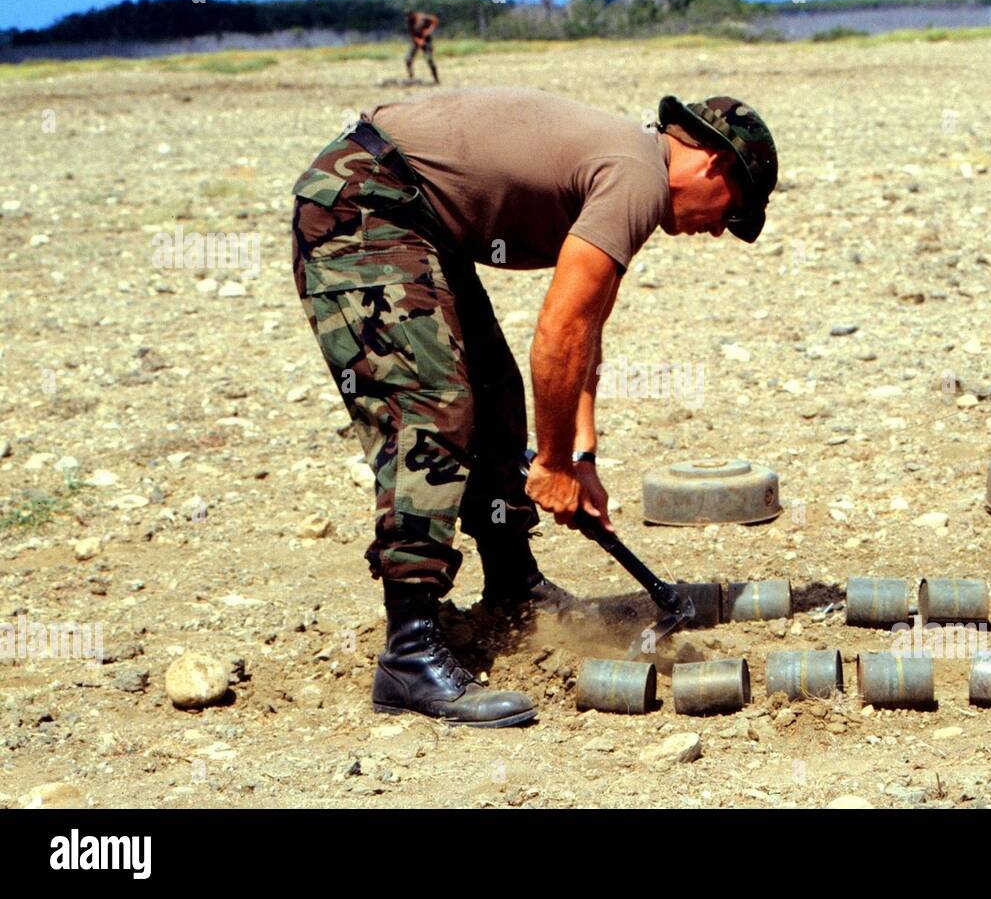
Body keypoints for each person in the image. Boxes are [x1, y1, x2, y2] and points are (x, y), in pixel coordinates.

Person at [289, 88, 777, 727]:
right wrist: (548, 463)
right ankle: (408, 651)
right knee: (433, 406)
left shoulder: (632, 169)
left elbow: (585, 333)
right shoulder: (638, 177)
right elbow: (558, 328)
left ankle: (513, 587)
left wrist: (580, 455)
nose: (718, 229)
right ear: (715, 164)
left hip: (411, 216)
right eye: (732, 211)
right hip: (362, 205)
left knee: (493, 393)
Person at [404, 11, 440, 83]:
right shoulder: (409, 22)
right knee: (408, 59)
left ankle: (436, 79)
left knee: (429, 59)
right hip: (416, 41)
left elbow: (435, 20)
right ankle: (411, 76)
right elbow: (412, 34)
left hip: (427, 41)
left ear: (414, 15)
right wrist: (419, 41)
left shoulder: (423, 17)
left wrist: (429, 30)